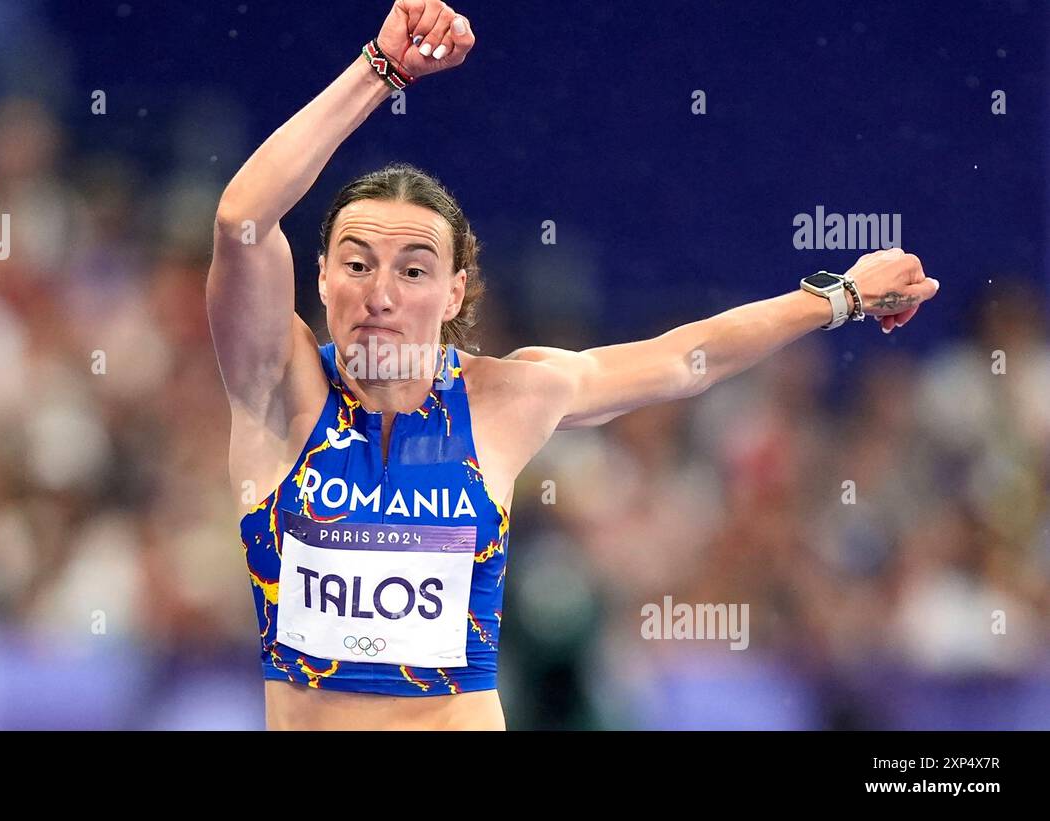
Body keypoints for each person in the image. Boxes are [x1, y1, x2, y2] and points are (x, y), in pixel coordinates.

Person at [206, 0, 940, 731]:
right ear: (323, 276)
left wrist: (840, 298)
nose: (381, 294)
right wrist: (379, 69)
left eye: (415, 269)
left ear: (455, 288)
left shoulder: (503, 398)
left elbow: (686, 359)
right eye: (358, 264)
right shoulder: (280, 387)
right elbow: (241, 219)